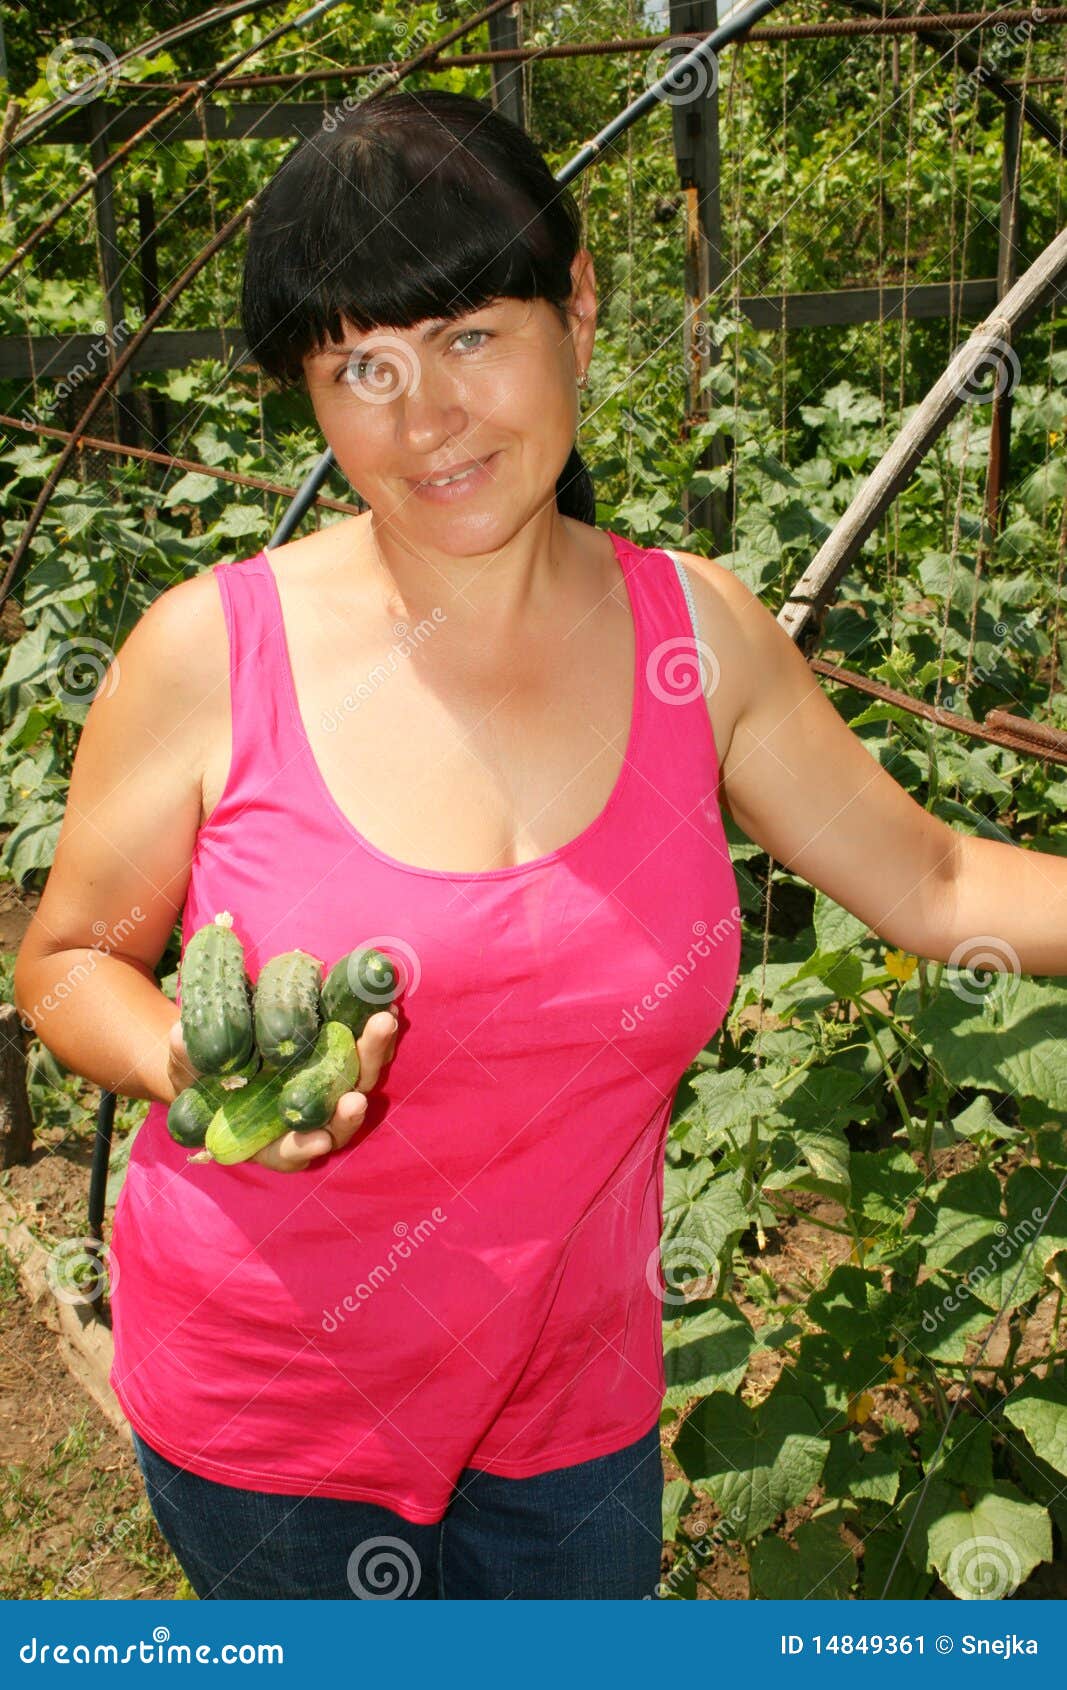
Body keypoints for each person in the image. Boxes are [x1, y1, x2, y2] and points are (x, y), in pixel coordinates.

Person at [12, 86, 1064, 1602]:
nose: (425, 417)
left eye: (470, 337)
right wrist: (189, 1055)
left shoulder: (692, 640)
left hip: (574, 1416)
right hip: (271, 1415)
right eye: (358, 365)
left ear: (576, 302)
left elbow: (943, 882)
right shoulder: (210, 652)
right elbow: (65, 964)